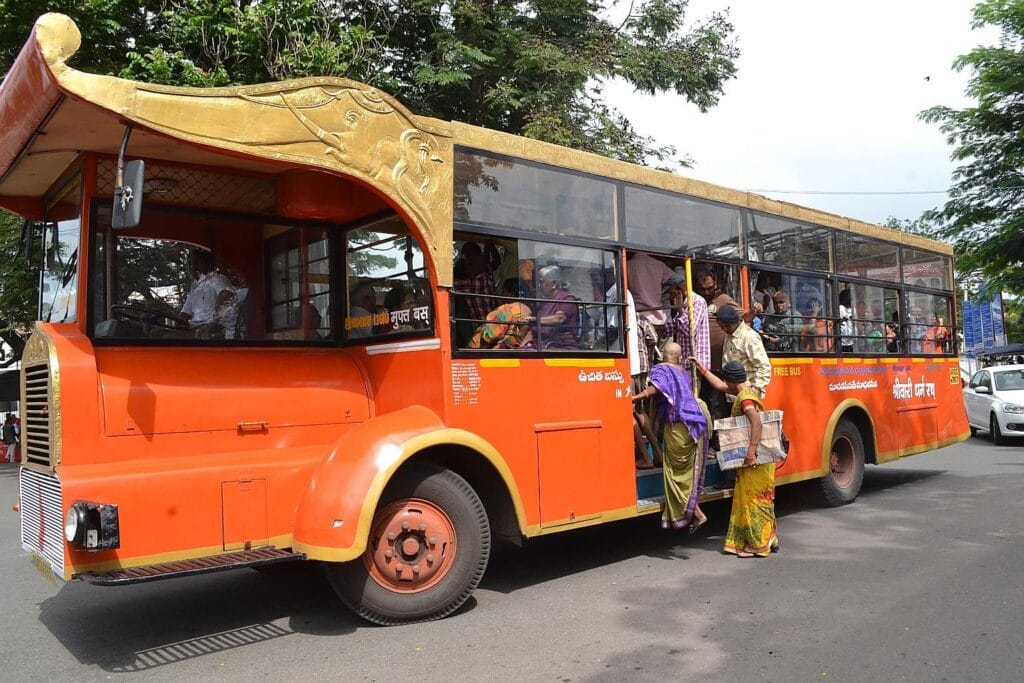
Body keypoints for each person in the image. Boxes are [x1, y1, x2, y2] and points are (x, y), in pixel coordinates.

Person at [691, 359, 779, 558]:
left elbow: (757, 423)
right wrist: (702, 369)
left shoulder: (745, 400)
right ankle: (769, 538)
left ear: (731, 381)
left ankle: (758, 545)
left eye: (726, 381)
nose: (725, 385)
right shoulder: (746, 391)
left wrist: (750, 452)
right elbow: (720, 386)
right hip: (762, 461)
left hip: (755, 461)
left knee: (753, 501)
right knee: (762, 499)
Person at [633, 343, 712, 531]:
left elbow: (657, 388)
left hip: (677, 427)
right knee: (687, 474)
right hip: (695, 425)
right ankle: (694, 510)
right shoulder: (683, 372)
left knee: (676, 475)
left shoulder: (661, 369)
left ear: (663, 355)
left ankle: (697, 513)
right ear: (679, 357)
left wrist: (636, 397)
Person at [719, 304, 772, 400]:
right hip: (732, 395)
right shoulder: (729, 334)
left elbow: (763, 366)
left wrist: (755, 390)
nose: (725, 329)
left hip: (747, 395)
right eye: (722, 327)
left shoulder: (749, 337)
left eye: (727, 326)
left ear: (735, 322)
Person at [181, 250, 237, 339]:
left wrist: (212, 323)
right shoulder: (196, 287)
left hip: (214, 330)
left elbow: (226, 295)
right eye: (190, 263)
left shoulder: (218, 279)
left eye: (196, 262)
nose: (192, 266)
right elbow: (185, 313)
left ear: (206, 262)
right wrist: (179, 322)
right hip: (195, 329)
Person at [468, 278, 535, 349]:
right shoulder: (528, 310)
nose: (501, 294)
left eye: (503, 291)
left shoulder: (508, 309)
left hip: (497, 352)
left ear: (511, 294)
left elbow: (488, 335)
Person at [627, 252, 675, 328]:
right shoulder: (660, 265)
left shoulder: (626, 265)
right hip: (660, 316)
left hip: (637, 318)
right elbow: (678, 281)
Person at [535, 265, 580, 348]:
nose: (539, 285)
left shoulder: (568, 299)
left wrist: (535, 320)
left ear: (554, 284)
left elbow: (559, 318)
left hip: (561, 345)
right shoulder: (544, 303)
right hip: (542, 343)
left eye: (542, 282)